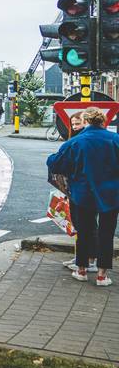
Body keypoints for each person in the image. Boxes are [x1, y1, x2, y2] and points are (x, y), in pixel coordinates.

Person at [47, 107, 119, 287]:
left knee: (85, 231)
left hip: (82, 194)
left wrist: (51, 158)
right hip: (111, 195)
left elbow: (56, 165)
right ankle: (102, 275)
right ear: (104, 121)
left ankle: (81, 270)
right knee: (106, 234)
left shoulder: (75, 142)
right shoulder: (115, 140)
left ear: (85, 121)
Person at [57, 113, 98, 272]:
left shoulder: (77, 142)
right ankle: (82, 259)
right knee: (83, 225)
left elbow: (58, 162)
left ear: (86, 123)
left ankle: (89, 262)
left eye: (78, 124)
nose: (75, 128)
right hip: (80, 190)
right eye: (73, 124)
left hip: (82, 190)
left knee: (87, 226)